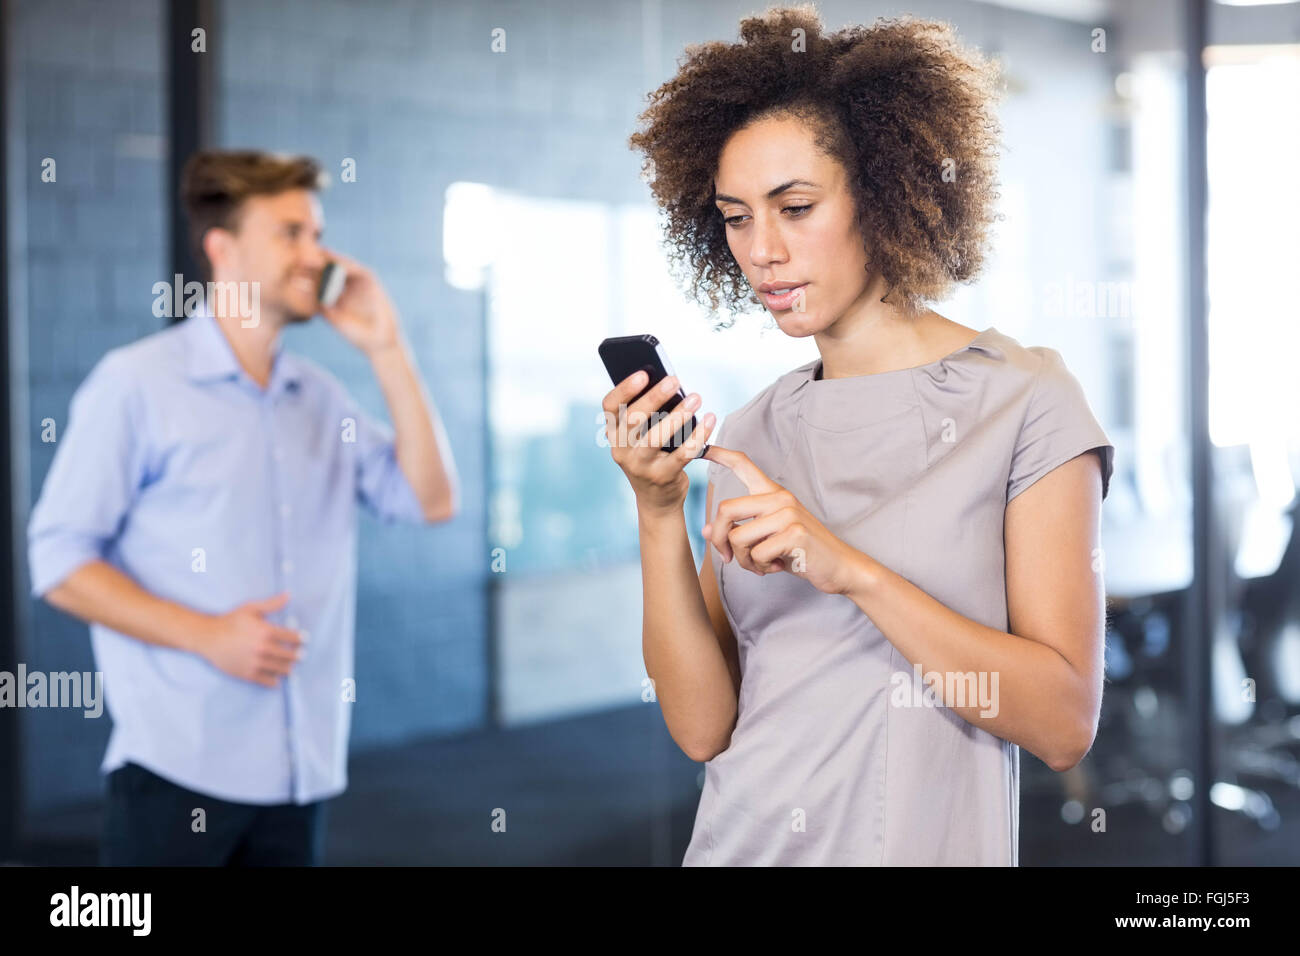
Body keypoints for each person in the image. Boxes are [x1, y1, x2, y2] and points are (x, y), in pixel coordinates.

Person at [608, 7, 1114, 865]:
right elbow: (701, 729)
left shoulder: (1025, 401)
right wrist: (659, 513)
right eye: (735, 217)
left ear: (883, 194)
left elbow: (1062, 723)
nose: (762, 250)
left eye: (794, 207)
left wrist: (847, 570)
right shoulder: (757, 427)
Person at [27, 150, 460, 866]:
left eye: (316, 233)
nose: (314, 254)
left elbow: (430, 500)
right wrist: (205, 634)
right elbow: (59, 559)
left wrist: (388, 348)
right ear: (221, 249)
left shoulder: (319, 396)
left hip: (300, 770)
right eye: (290, 233)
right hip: (177, 772)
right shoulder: (136, 383)